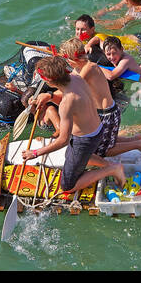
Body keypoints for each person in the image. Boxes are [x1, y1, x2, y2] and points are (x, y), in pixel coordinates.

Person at [21, 56, 125, 203]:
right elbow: (70, 97)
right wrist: (49, 96)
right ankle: (108, 164)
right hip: (97, 129)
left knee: (67, 186)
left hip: (85, 140)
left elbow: (63, 140)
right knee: (72, 156)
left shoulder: (66, 105)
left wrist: (35, 153)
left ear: (49, 81)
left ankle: (112, 169)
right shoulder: (76, 78)